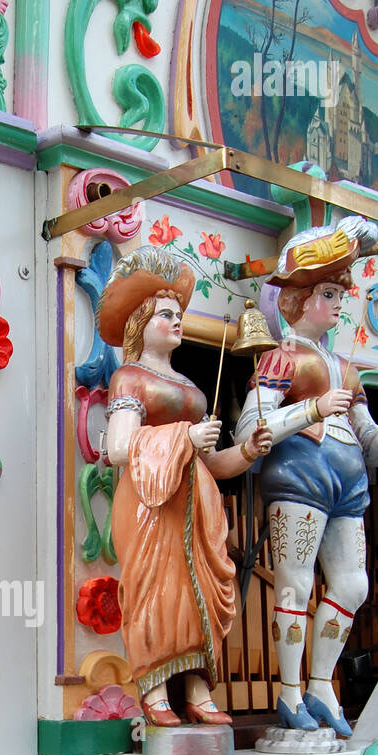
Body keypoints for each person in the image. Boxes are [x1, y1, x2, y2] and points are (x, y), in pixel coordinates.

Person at [234, 216, 378, 736]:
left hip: (348, 483)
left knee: (354, 584)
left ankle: (322, 684)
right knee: (293, 584)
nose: (338, 302)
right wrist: (311, 410)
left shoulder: (348, 368)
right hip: (300, 477)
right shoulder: (282, 358)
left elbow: (372, 445)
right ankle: (289, 694)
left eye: (341, 292)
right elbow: (251, 425)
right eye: (327, 292)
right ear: (296, 301)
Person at [98, 247, 272, 727]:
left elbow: (210, 463)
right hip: (150, 504)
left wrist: (248, 452)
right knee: (156, 589)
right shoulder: (129, 377)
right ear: (141, 322)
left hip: (196, 502)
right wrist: (183, 436)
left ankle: (196, 688)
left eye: (180, 314)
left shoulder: (190, 386)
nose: (178, 321)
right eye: (166, 314)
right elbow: (118, 448)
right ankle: (153, 688)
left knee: (199, 593)